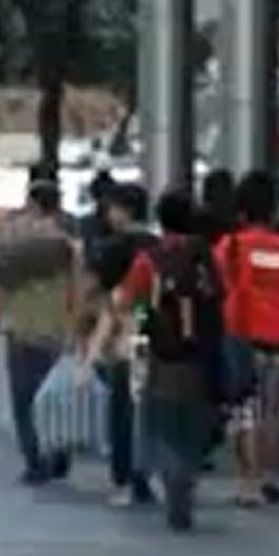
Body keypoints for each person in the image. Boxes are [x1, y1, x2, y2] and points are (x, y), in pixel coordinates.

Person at [108, 190, 224, 532]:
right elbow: (219, 297)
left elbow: (127, 302)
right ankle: (186, 478)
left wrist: (147, 315)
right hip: (202, 357)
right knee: (194, 426)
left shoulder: (150, 259)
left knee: (163, 426)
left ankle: (173, 478)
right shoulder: (206, 256)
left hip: (163, 356)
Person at [214, 170, 279, 507]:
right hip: (278, 338)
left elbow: (219, 291)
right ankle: (268, 475)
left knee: (245, 412)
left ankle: (248, 483)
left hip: (241, 337)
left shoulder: (230, 246)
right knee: (273, 411)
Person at [0, 178, 80, 484]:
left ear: (33, 203)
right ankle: (59, 450)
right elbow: (78, 288)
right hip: (56, 328)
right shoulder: (69, 241)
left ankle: (35, 461)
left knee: (24, 400)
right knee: (57, 396)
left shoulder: (10, 236)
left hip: (20, 326)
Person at [81, 183, 157, 506]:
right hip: (155, 338)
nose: (108, 214)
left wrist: (87, 345)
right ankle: (146, 477)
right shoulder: (157, 245)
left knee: (122, 412)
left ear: (123, 210)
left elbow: (94, 294)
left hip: (121, 337)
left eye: (112, 208)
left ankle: (125, 478)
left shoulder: (112, 248)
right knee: (148, 411)